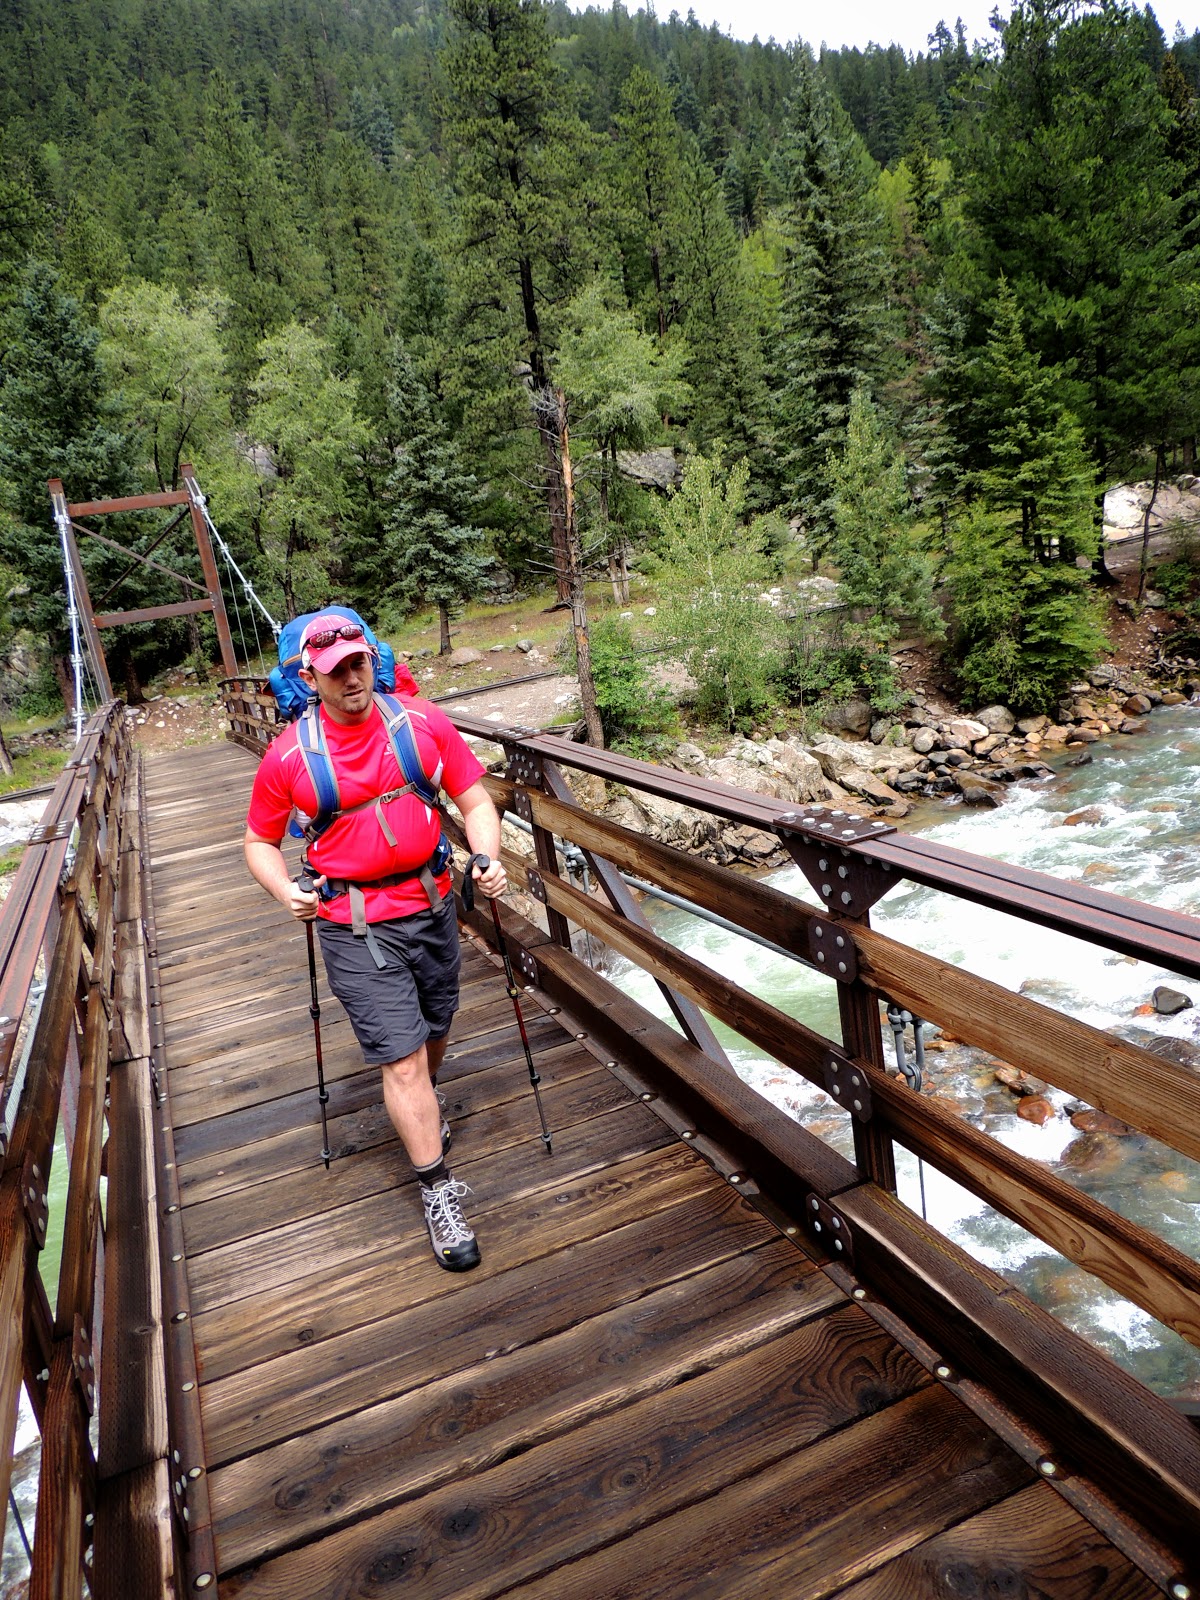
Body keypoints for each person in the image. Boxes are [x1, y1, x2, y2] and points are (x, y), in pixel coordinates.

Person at [243, 611, 506, 1272]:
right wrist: (283, 890)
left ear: (373, 659)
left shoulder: (421, 722)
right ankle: (438, 1191)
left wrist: (487, 856)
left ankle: (423, 1107)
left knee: (436, 1025)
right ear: (310, 678)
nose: (352, 678)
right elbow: (259, 841)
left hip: (432, 903)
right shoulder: (289, 756)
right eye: (336, 670)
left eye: (359, 662)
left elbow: (475, 800)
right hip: (352, 922)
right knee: (403, 1059)